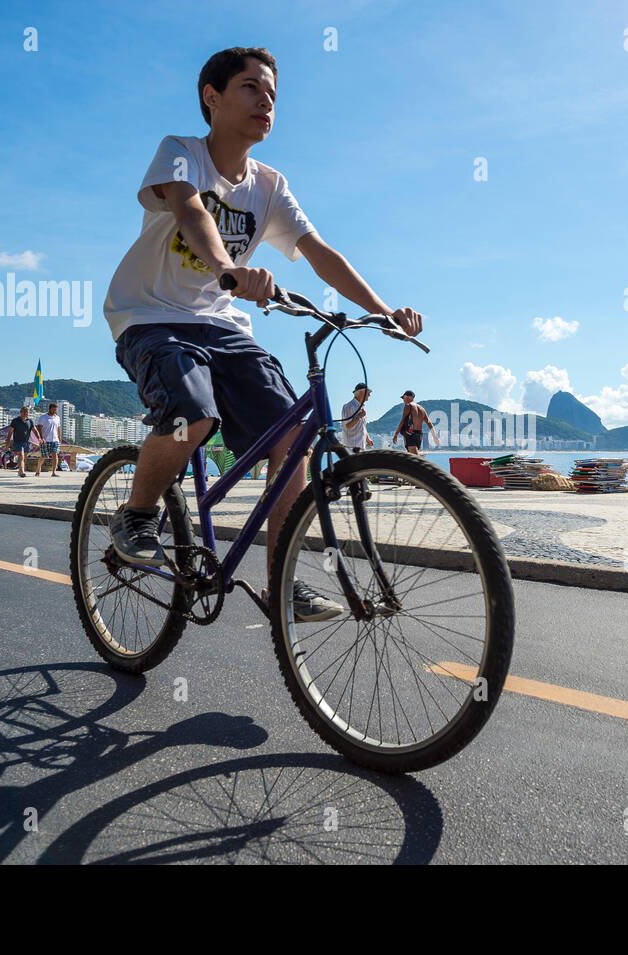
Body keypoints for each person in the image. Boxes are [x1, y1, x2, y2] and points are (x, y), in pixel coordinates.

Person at [101, 47, 422, 623]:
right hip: (151, 317)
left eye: (272, 93)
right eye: (251, 87)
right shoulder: (181, 154)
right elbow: (191, 211)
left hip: (222, 325)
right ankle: (140, 512)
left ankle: (282, 583)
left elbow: (319, 252)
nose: (266, 100)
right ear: (212, 97)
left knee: (290, 436)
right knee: (191, 413)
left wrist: (382, 310)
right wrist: (228, 267)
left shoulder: (270, 186)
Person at [392, 390, 439, 455]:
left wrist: (396, 435)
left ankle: (422, 462)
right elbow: (429, 423)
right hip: (419, 435)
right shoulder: (422, 409)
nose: (403, 400)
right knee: (411, 457)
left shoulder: (408, 406)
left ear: (409, 397)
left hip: (410, 434)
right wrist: (434, 436)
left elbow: (402, 421)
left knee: (415, 458)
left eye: (404, 397)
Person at [340, 383, 374, 453]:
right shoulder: (349, 406)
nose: (369, 395)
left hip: (361, 448)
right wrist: (359, 416)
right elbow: (347, 426)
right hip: (351, 449)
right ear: (362, 392)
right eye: (368, 393)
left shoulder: (361, 408)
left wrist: (367, 439)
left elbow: (363, 426)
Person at [34, 402, 62, 476]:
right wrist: (41, 438)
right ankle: (38, 469)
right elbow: (39, 428)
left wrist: (59, 438)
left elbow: (58, 429)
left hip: (55, 440)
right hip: (45, 440)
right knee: (43, 456)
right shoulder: (43, 417)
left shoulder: (57, 418)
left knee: (55, 454)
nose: (54, 411)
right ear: (49, 409)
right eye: (53, 410)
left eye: (55, 410)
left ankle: (54, 472)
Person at [6, 406, 34, 477]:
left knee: (24, 457)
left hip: (27, 442)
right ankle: (22, 472)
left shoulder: (30, 421)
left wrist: (39, 438)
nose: (26, 413)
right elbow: (10, 432)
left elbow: (34, 430)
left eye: (27, 412)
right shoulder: (15, 421)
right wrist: (8, 441)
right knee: (21, 456)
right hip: (18, 442)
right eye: (24, 412)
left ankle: (20, 470)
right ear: (21, 412)